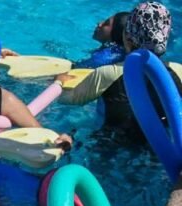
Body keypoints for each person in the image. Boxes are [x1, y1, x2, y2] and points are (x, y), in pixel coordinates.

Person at [57, 2, 180, 145]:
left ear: (127, 36)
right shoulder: (178, 71)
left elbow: (66, 100)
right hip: (158, 151)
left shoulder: (108, 73)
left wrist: (59, 82)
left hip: (109, 149)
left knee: (70, 134)